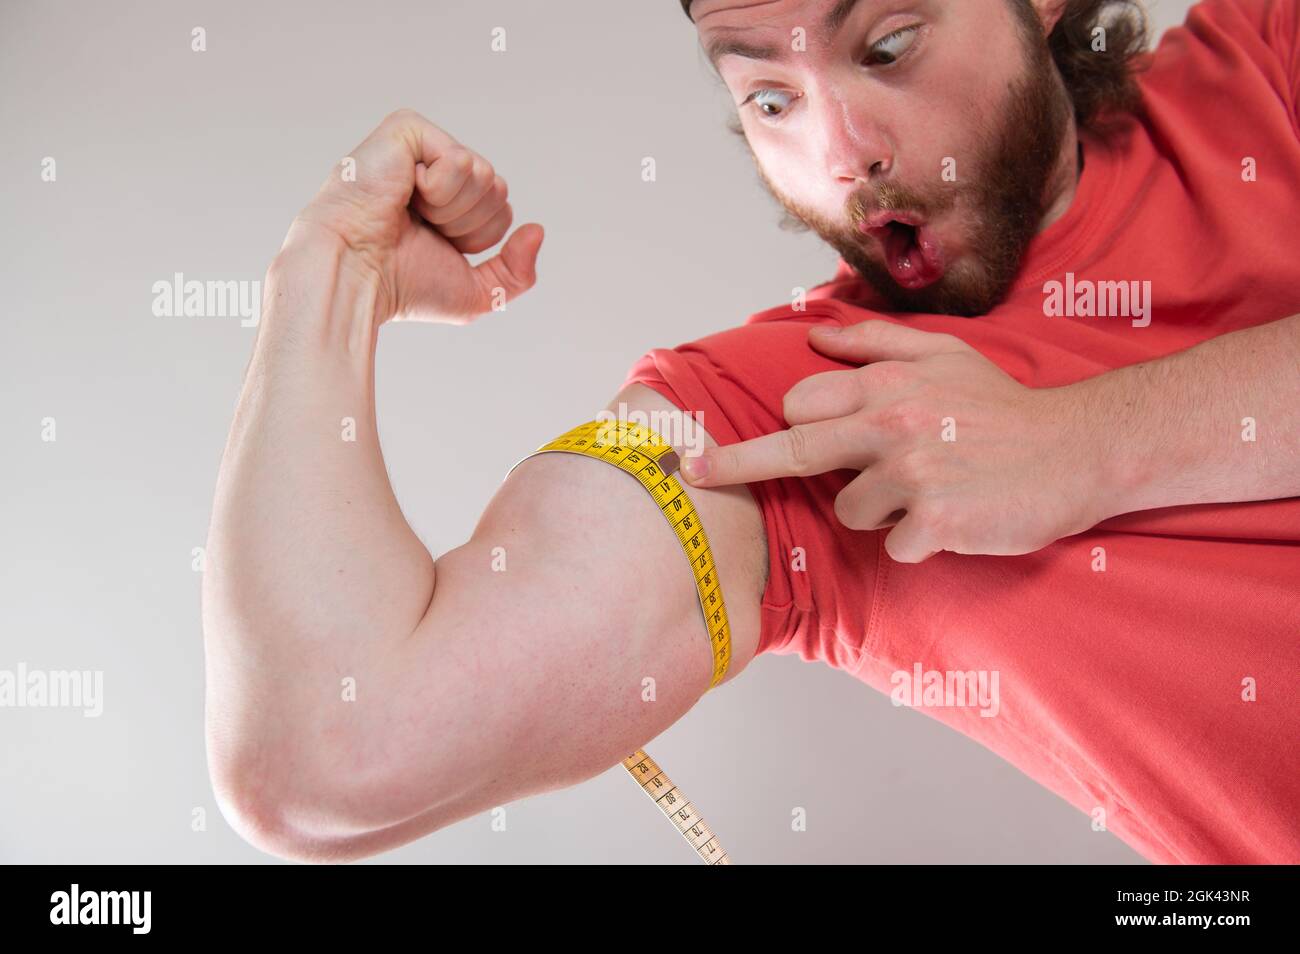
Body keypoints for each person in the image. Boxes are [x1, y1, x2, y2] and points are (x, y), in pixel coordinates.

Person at [203, 0, 1300, 864]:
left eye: (889, 43)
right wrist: (325, 276)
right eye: (771, 99)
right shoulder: (800, 417)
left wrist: (1083, 444)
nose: (844, 152)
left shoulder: (1269, 61)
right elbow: (328, 761)